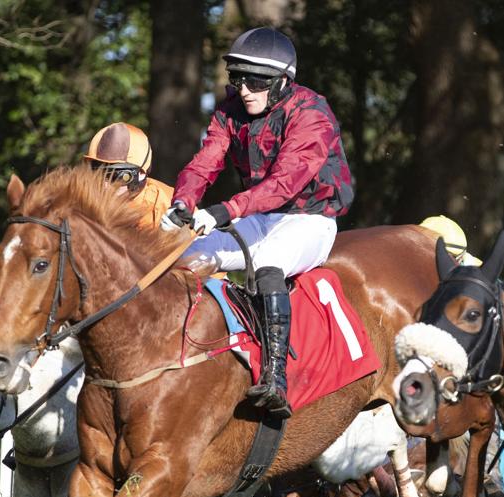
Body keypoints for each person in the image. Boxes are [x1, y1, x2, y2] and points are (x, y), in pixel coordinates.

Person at [159, 27, 354, 418]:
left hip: (311, 219)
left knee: (269, 268)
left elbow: (284, 183)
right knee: (184, 260)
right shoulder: (230, 110)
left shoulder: (312, 113)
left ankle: (275, 379)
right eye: (237, 78)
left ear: (283, 82)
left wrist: (222, 212)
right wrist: (184, 200)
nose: (244, 89)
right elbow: (205, 162)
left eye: (255, 81)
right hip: (262, 215)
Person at [83, 122, 173, 229]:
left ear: (140, 174)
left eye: (115, 177)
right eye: (97, 175)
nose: (104, 185)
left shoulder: (168, 207)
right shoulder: (84, 203)